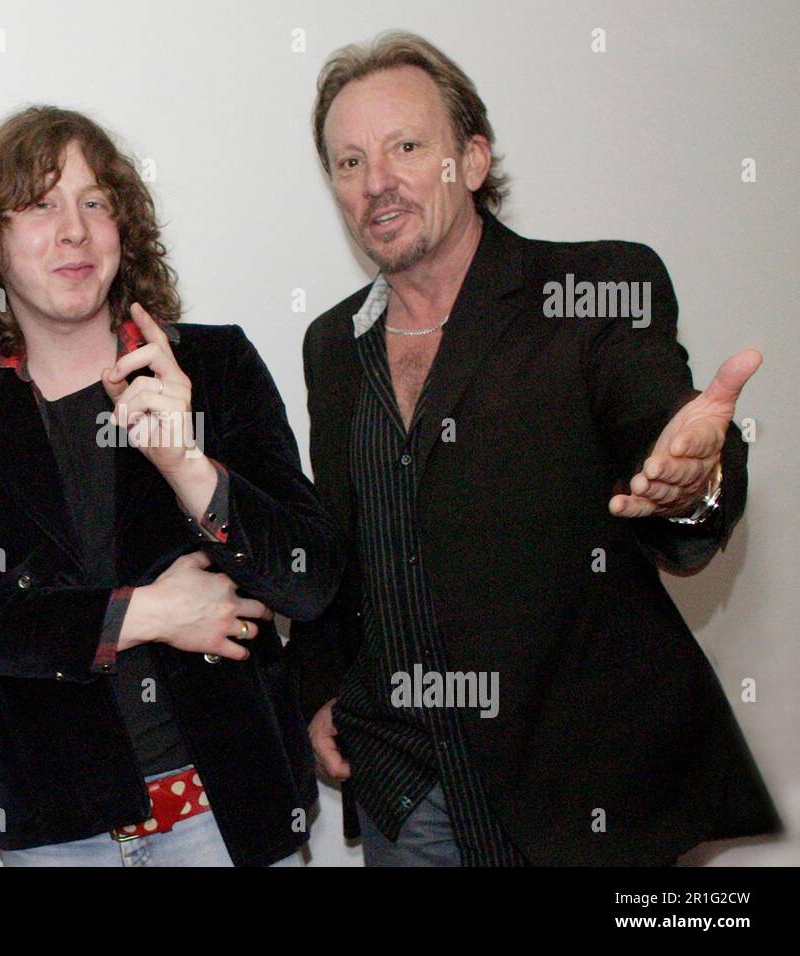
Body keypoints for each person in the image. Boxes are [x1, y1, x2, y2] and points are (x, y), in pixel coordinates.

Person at [291, 31, 780, 866]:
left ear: (473, 160)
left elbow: (668, 446)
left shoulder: (594, 292)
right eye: (348, 161)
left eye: (407, 147)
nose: (377, 181)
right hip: (405, 790)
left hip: (576, 789)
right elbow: (342, 548)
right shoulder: (334, 343)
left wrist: (693, 483)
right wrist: (320, 689)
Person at [0, 106, 342, 866]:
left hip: (231, 817)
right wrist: (140, 615)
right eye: (41, 204)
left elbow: (311, 579)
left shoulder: (215, 364)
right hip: (61, 835)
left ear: (122, 230)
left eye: (95, 202)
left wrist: (187, 466)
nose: (73, 229)